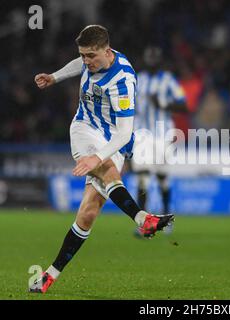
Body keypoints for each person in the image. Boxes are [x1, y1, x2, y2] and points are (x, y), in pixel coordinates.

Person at [29, 25, 174, 294]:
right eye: (83, 55)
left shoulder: (122, 82)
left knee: (88, 213)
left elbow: (124, 133)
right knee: (107, 173)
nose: (86, 62)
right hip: (84, 127)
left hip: (112, 141)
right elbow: (78, 64)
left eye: (91, 57)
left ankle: (49, 275)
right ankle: (142, 218)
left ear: (107, 52)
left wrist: (96, 156)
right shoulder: (93, 58)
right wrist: (55, 77)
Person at [131, 46, 187, 232]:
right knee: (142, 179)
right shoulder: (139, 79)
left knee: (163, 177)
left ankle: (165, 217)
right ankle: (144, 222)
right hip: (142, 133)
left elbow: (183, 106)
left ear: (160, 60)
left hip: (163, 133)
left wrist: (162, 103)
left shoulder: (168, 80)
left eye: (155, 57)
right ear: (146, 59)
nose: (152, 61)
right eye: (150, 57)